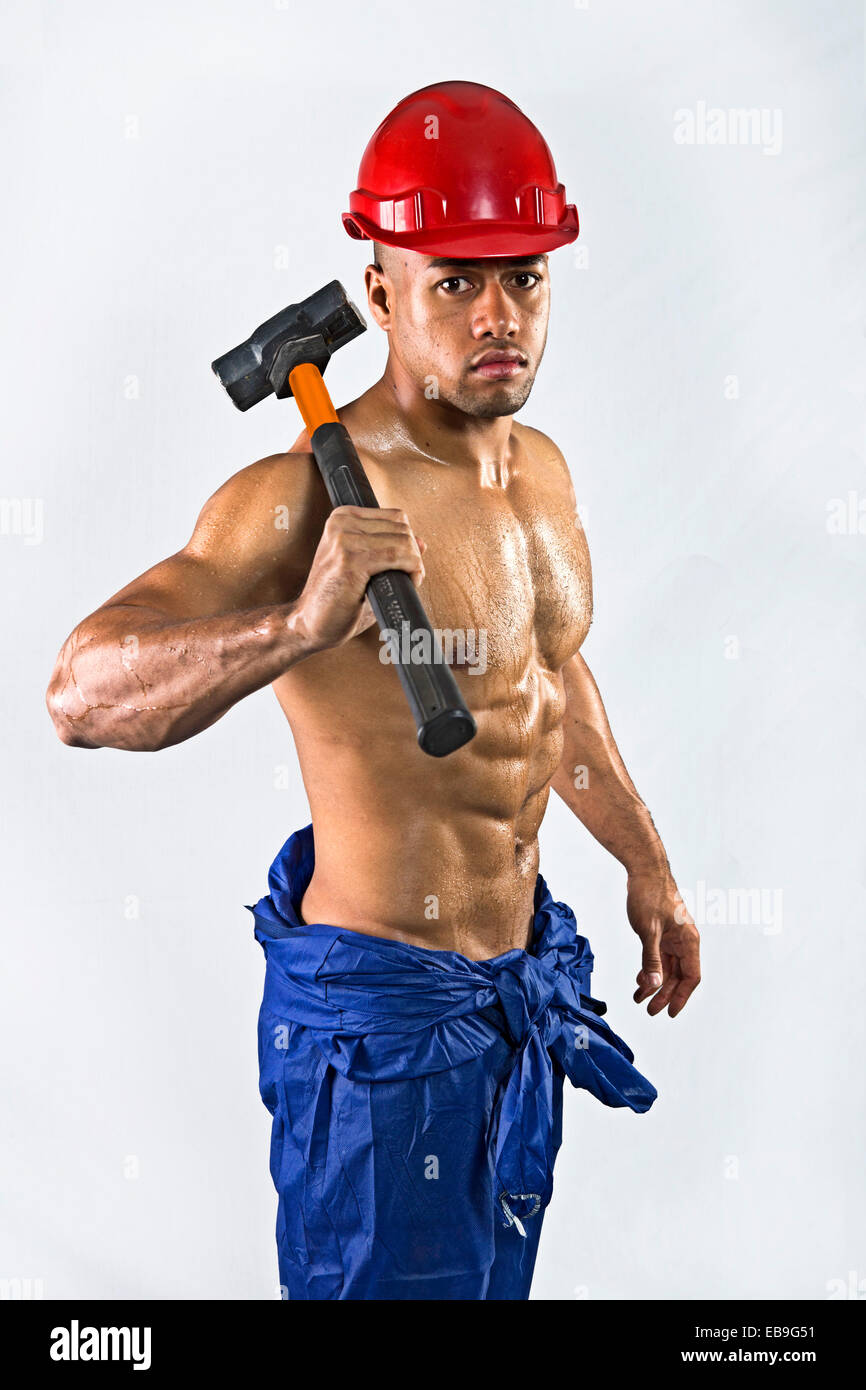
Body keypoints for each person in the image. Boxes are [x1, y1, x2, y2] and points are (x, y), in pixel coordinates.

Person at [46, 80, 701, 1300]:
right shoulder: (297, 500)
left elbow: (547, 683)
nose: (495, 312)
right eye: (453, 280)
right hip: (378, 1029)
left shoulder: (540, 474)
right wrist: (299, 624)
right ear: (381, 292)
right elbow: (79, 695)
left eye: (523, 275)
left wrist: (644, 863)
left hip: (509, 999)